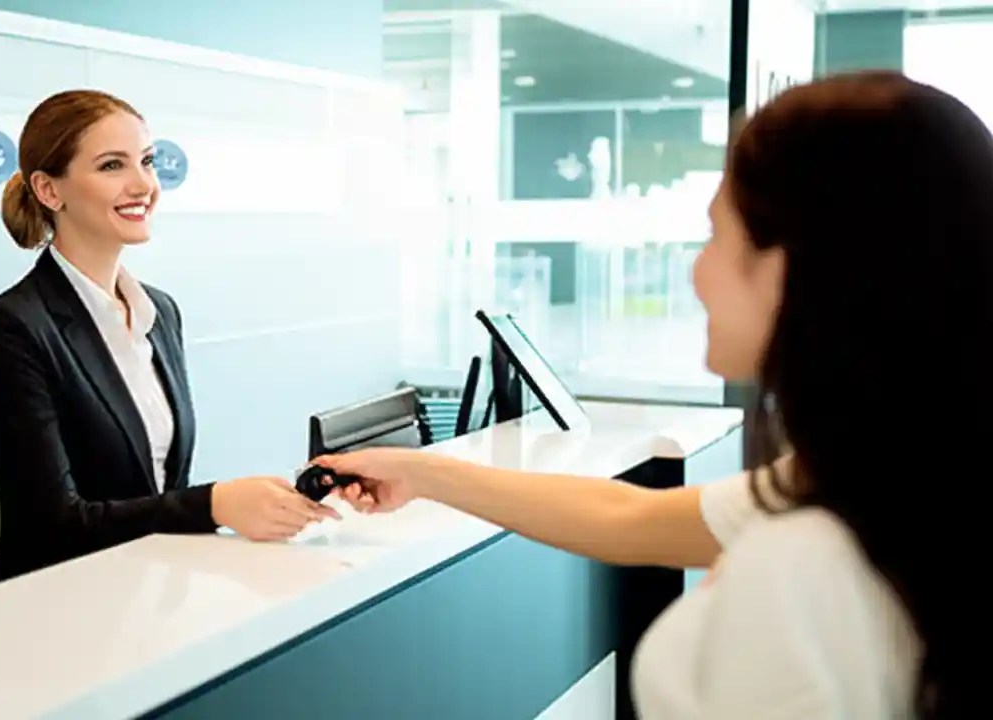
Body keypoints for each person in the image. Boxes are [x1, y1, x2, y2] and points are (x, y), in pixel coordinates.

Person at [316, 71, 986, 718]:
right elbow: (629, 518)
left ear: (785, 269)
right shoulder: (896, 483)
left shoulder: (800, 565)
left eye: (715, 235)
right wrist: (421, 472)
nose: (695, 270)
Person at [0, 89, 336, 586]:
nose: (143, 184)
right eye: (113, 165)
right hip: (50, 609)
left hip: (144, 593)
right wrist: (216, 504)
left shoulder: (159, 311)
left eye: (147, 161)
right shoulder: (10, 327)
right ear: (50, 191)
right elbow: (49, 524)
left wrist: (245, 502)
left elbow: (158, 487)